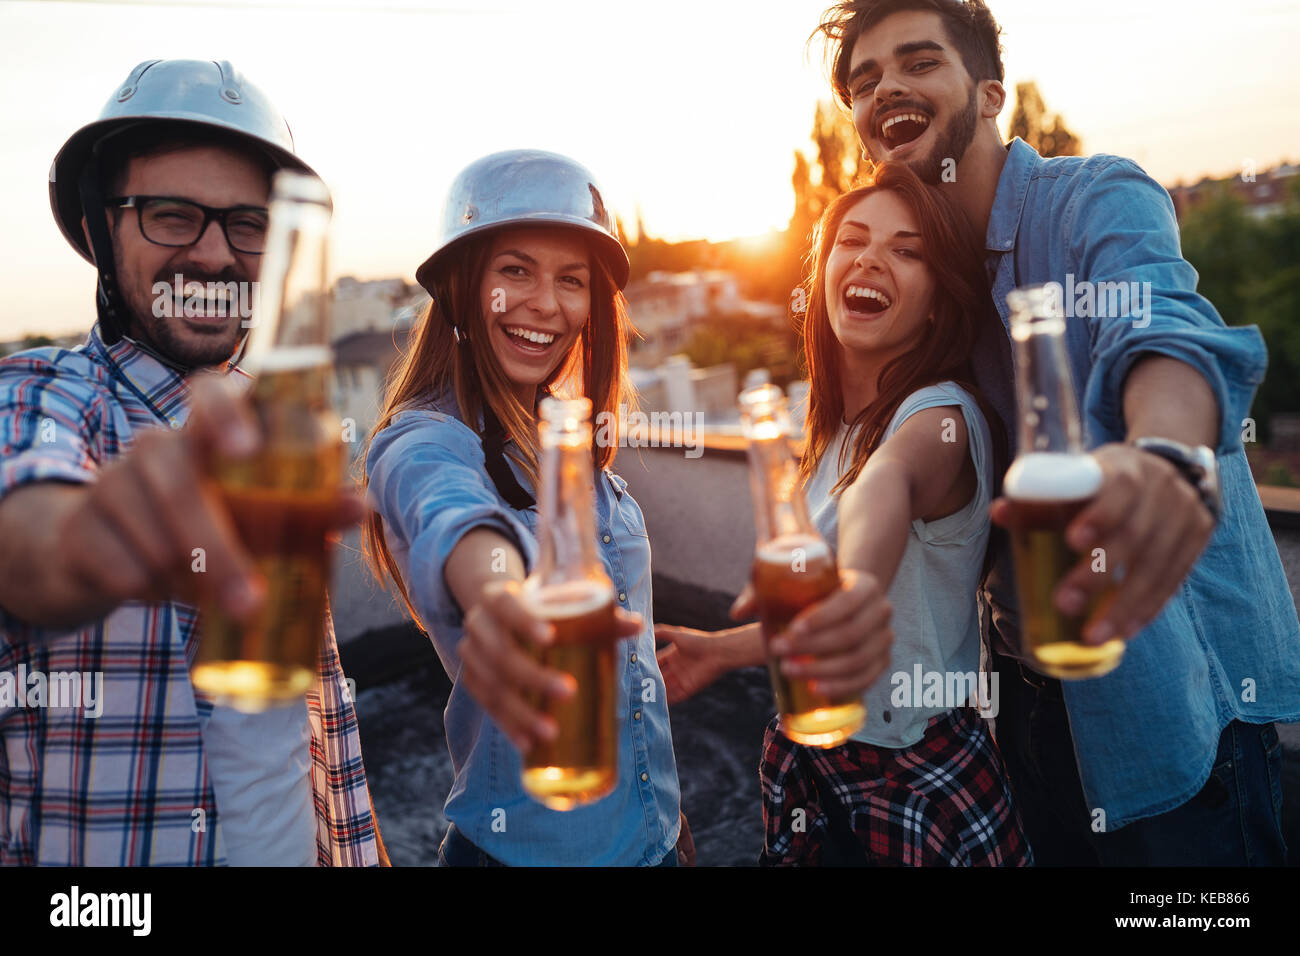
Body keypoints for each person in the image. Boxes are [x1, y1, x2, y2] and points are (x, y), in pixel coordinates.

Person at [815, 0, 1297, 864]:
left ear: (991, 94)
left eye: (919, 62)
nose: (887, 86)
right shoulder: (922, 271)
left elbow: (1163, 327)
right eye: (865, 80)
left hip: (1174, 700)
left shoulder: (1092, 199)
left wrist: (1165, 455)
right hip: (1028, 710)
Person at [362, 149, 893, 866]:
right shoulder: (424, 440)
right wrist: (501, 598)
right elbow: (448, 512)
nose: (546, 303)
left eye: (571, 281)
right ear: (462, 289)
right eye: (515, 270)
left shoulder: (563, 432)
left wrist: (665, 823)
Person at [0, 60, 383, 866]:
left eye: (248, 223)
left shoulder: (282, 433)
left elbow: (311, 716)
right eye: (173, 216)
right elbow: (30, 539)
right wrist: (93, 541)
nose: (213, 256)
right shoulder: (37, 396)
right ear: (104, 231)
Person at [658, 164, 1031, 866]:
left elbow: (885, 487)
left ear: (938, 300)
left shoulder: (942, 419)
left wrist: (855, 585)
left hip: (918, 782)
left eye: (906, 250)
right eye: (852, 240)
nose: (869, 258)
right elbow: (816, 614)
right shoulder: (831, 431)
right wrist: (722, 649)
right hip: (820, 770)